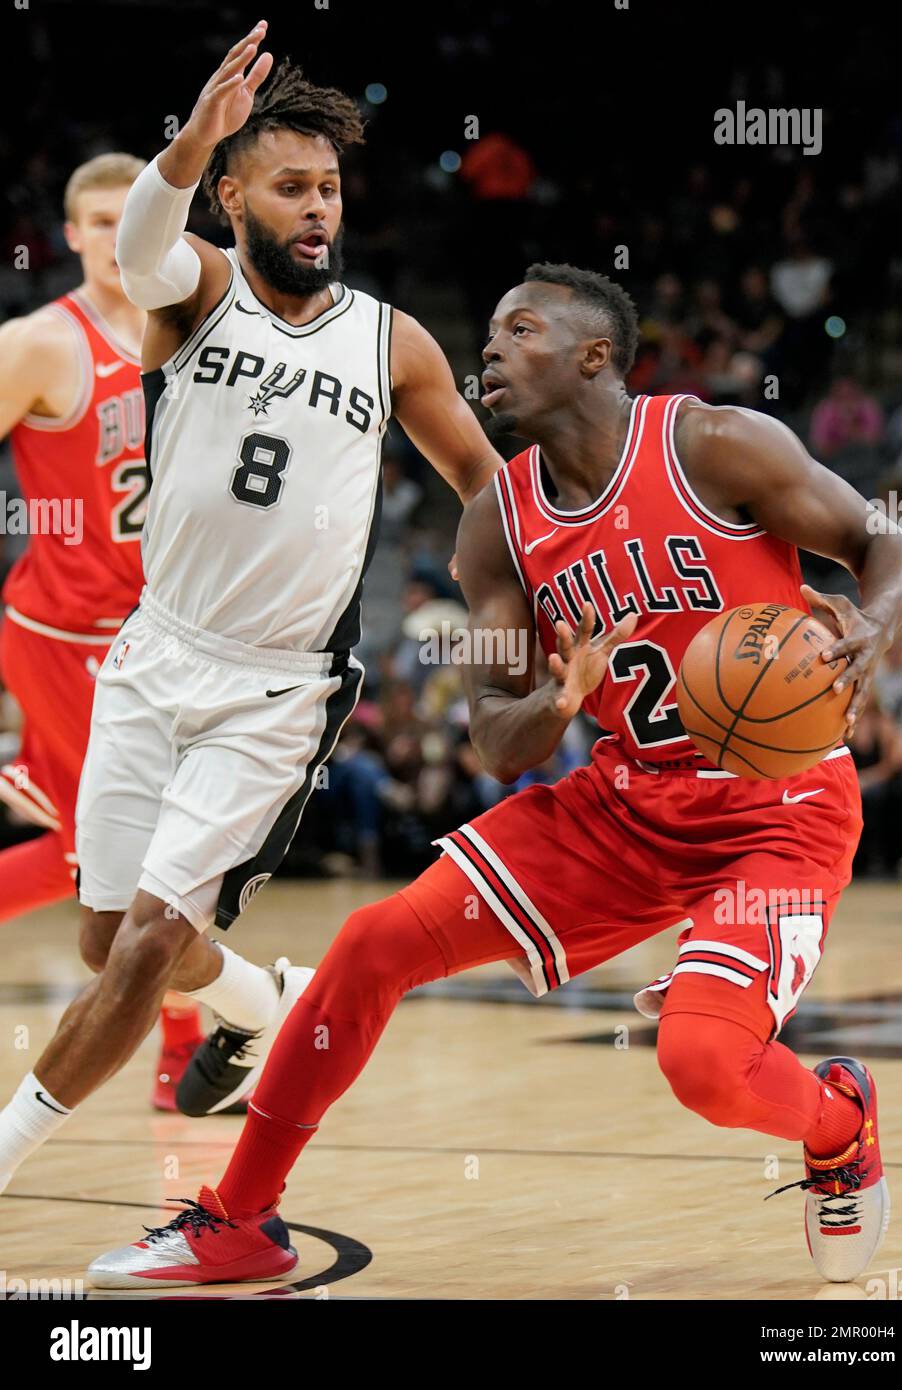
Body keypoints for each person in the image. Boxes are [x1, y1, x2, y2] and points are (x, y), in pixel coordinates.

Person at [88, 263, 902, 1291]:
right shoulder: (498, 524)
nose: (488, 348)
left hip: (778, 808)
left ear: (594, 356)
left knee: (703, 1062)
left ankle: (838, 1119)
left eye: (519, 329)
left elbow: (883, 544)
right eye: (486, 332)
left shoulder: (712, 444)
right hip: (622, 803)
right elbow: (496, 738)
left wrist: (874, 628)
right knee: (371, 940)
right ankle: (241, 1216)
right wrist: (558, 700)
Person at [0, 21, 501, 1191]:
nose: (318, 206)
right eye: (290, 185)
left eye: (329, 187)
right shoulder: (196, 292)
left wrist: (519, 605)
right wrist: (184, 147)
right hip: (150, 651)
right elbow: (139, 245)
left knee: (141, 950)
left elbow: (482, 481)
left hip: (275, 687)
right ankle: (261, 1000)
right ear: (234, 198)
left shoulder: (393, 342)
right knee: (101, 933)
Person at [0, 152, 211, 1111]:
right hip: (66, 633)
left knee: (79, 857)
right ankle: (181, 1058)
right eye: (89, 219)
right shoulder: (42, 343)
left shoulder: (202, 327)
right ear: (71, 234)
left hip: (160, 630)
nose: (106, 234)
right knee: (145, 849)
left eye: (125, 216)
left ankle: (181, 1049)